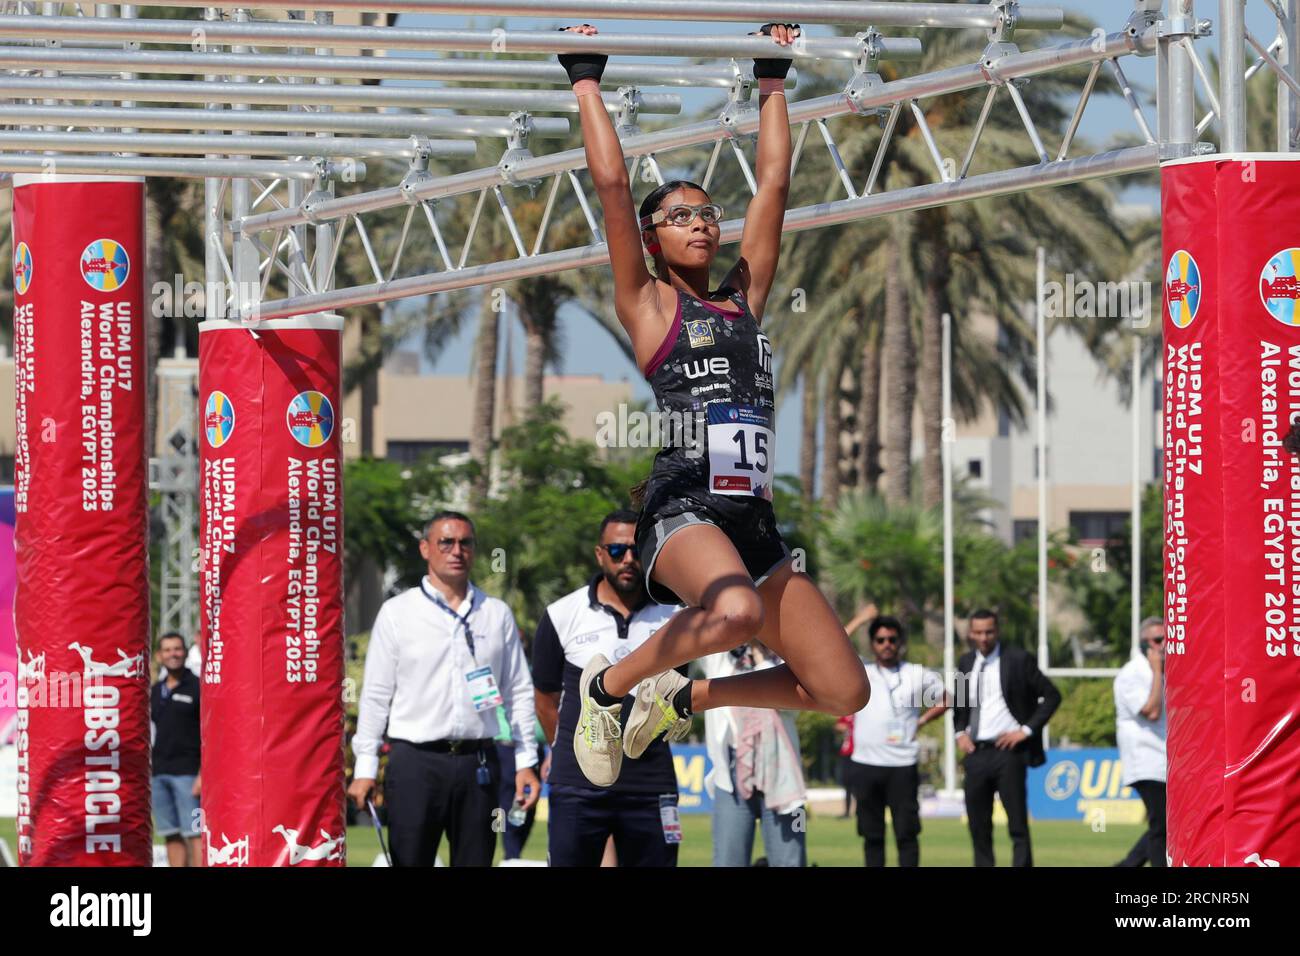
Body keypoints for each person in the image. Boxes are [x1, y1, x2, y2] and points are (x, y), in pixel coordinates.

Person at [554, 21, 869, 790]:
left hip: (751, 519)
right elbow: (615, 186)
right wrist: (587, 77)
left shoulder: (743, 301)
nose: (701, 223)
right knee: (734, 616)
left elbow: (775, 185)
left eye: (706, 214)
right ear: (653, 241)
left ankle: (682, 694)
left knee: (842, 689)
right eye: (682, 217)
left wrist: (772, 79)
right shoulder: (650, 304)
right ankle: (607, 687)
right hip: (683, 507)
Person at [348, 511, 540, 866]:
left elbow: (518, 692)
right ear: (425, 548)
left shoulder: (496, 614)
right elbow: (375, 697)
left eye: (465, 543)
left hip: (479, 763)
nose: (456, 551)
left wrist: (526, 761)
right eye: (446, 542)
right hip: (414, 764)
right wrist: (365, 769)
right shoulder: (397, 613)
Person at [532, 510, 684, 866]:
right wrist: (574, 748)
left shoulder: (676, 614)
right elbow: (544, 699)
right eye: (617, 551)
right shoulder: (562, 614)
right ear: (600, 554)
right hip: (577, 785)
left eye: (635, 550)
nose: (628, 559)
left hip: (651, 783)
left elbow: (676, 693)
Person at [954, 609, 1060, 867]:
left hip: (1008, 753)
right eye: (978, 632)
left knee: (1017, 825)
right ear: (970, 633)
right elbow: (959, 702)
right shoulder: (966, 662)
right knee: (978, 825)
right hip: (976, 754)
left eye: (989, 631)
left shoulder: (1018, 659)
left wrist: (1025, 731)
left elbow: (1052, 696)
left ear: (997, 631)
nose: (984, 637)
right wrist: (959, 733)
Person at [849, 615, 947, 867]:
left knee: (907, 834)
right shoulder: (861, 671)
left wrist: (923, 721)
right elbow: (830, 648)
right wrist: (860, 620)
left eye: (892, 639)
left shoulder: (916, 674)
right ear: (872, 644)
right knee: (872, 836)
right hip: (865, 763)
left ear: (900, 642)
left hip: (902, 764)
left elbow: (947, 697)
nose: (886, 644)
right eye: (880, 640)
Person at [701, 643, 807, 867]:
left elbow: (787, 702)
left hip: (784, 776)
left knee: (791, 861)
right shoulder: (721, 659)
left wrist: (761, 656)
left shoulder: (788, 661)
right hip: (731, 773)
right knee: (727, 861)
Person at [1114, 617, 1167, 867]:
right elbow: (1152, 710)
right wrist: (1157, 670)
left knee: (1165, 823)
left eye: (1168, 639)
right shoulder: (1131, 673)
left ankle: (1127, 865)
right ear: (1144, 644)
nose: (1164, 645)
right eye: (1158, 640)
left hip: (1164, 759)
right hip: (1145, 759)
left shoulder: (1164, 672)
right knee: (1162, 825)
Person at [150, 632, 202, 867]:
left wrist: (203, 774)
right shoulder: (155, 691)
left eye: (178, 649)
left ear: (185, 652)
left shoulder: (198, 687)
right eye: (168, 650)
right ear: (160, 656)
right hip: (159, 773)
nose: (174, 654)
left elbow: (211, 733)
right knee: (170, 833)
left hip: (190, 774)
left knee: (196, 834)